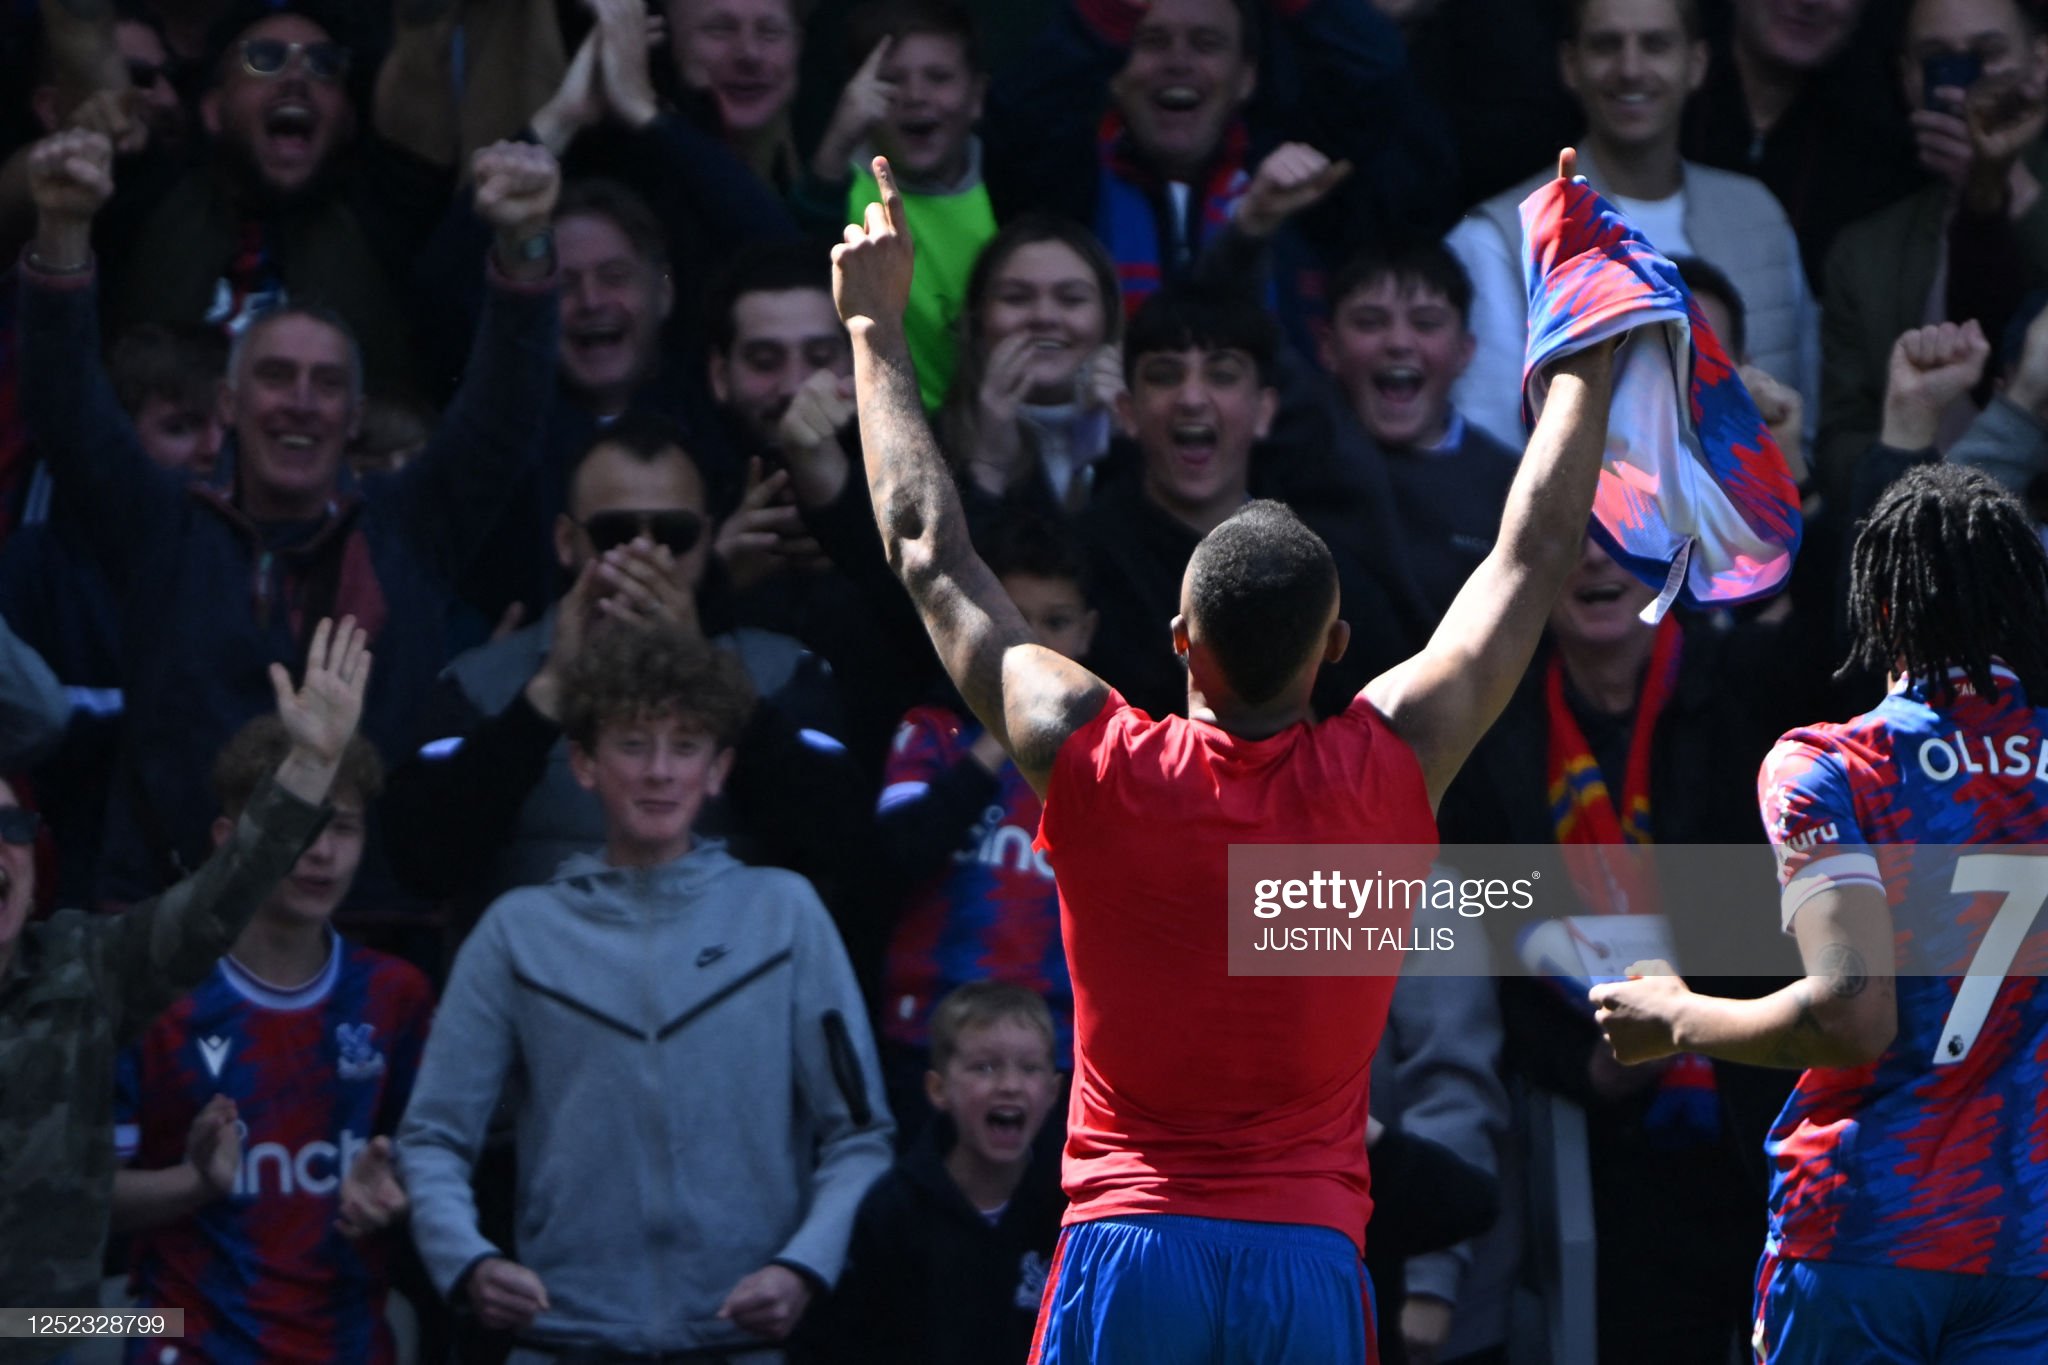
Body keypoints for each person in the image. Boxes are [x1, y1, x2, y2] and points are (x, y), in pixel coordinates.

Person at [833, 151, 1620, 1361]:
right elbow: (1529, 558)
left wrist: (875, 329)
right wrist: (1584, 337)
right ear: (1338, 649)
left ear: (1175, 643)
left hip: (1125, 1253)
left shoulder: (1086, 754)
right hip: (1304, 1264)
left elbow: (928, 550)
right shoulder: (1390, 763)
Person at [18, 127, 561, 908]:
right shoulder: (160, 526)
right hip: (163, 935)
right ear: (230, 406)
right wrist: (64, 229)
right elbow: (64, 405)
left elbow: (505, 415)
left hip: (361, 935)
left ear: (356, 415)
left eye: (326, 383)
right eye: (275, 376)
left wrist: (525, 245)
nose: (301, 401)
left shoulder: (410, 527)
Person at [1592, 460, 2048, 1364]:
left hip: (1861, 1236)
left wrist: (1678, 1017)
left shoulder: (1831, 768)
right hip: (2026, 1248)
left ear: (1878, 611)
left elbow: (1852, 1012)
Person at [398, 624, 893, 1362]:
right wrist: (467, 1261)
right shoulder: (518, 932)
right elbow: (432, 1136)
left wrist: (804, 1268)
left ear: (719, 768)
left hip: (742, 1340)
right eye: (633, 743)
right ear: (585, 763)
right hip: (562, 1340)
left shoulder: (784, 914)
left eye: (685, 744)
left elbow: (860, 1135)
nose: (659, 770)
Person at [0, 617, 369, 1345]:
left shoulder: (81, 965)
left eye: (12, 829)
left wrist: (308, 767)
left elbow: (217, 901)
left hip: (47, 1332)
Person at [111, 714, 431, 1364]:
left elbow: (432, 1165)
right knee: (34, 1326)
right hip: (189, 1340)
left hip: (350, 1342)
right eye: (298, 824)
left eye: (342, 826)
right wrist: (195, 1182)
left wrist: (399, 1190)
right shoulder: (154, 995)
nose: (321, 851)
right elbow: (85, 1199)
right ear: (231, 840)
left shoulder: (396, 996)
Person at [1448, 0, 1818, 452]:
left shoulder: (1760, 217)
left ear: (1697, 63)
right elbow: (1489, 457)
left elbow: (1805, 424)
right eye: (1606, 45)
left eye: (1656, 45)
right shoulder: (1502, 238)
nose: (1630, 68)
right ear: (1570, 64)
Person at [873, 512, 1090, 1135]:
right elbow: (899, 855)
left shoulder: (1108, 764)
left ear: (1088, 632)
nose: (1034, 643)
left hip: (1053, 1066)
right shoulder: (931, 734)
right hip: (926, 1049)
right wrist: (1000, 738)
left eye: (1056, 623)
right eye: (1013, 619)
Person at [1815, 0, 2048, 502]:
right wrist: (1914, 469)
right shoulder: (1863, 253)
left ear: (2041, 62)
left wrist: (2013, 191)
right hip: (1918, 531)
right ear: (1908, 78)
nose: (1960, 83)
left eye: (1987, 55)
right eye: (1937, 61)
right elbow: (1838, 443)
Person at [827, 981, 1066, 1365]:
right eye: (984, 1067)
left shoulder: (1069, 1209)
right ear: (938, 1089)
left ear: (1054, 1092)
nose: (1009, 1086)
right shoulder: (894, 1210)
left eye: (1029, 1068)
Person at [801, 0, 995, 409]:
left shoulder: (1009, 193)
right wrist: (837, 145)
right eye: (891, 80)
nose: (915, 96)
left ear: (977, 95)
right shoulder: (839, 189)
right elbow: (794, 256)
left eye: (938, 77)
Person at [1317, 241, 1518, 623]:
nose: (1398, 343)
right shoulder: (1297, 462)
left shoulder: (1513, 489)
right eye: (1370, 323)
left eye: (1426, 323)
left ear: (1465, 350)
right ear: (1328, 347)